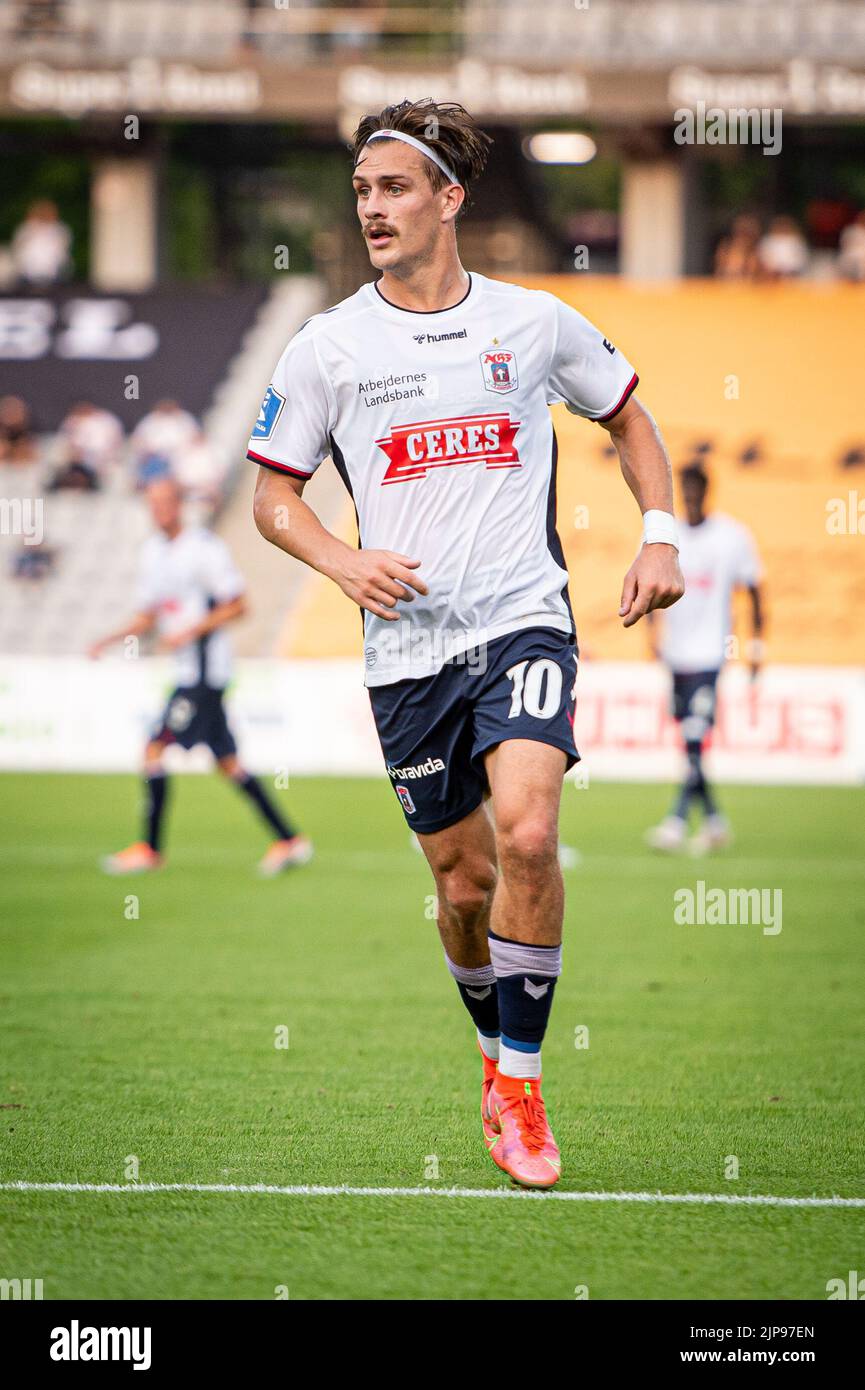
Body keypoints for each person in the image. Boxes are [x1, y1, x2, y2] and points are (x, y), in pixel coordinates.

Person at [249, 99, 683, 1189]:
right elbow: (273, 499)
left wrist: (659, 534)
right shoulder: (327, 346)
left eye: (394, 187)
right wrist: (345, 564)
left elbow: (629, 416)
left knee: (531, 833)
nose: (373, 208)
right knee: (463, 884)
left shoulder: (531, 323)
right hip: (405, 656)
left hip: (521, 617)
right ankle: (494, 1060)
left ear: (450, 197)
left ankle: (526, 1089)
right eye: (361, 190)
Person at [89, 478, 312, 877]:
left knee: (154, 747)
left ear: (179, 504)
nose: (159, 510)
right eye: (152, 504)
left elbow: (239, 605)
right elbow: (149, 615)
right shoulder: (154, 553)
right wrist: (108, 640)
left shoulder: (204, 550)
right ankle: (289, 840)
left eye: (165, 502)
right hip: (189, 671)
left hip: (205, 674)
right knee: (228, 763)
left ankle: (150, 849)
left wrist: (190, 631)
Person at [645, 465, 764, 855]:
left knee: (695, 735)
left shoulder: (731, 536)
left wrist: (756, 648)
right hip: (676, 656)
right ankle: (714, 820)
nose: (691, 495)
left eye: (697, 488)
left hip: (712, 653)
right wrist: (652, 633)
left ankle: (677, 821)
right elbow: (648, 579)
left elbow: (755, 589)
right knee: (690, 742)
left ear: (707, 490)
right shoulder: (668, 537)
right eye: (686, 488)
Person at [52, 401, 124, 492]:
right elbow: (63, 444)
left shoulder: (106, 421)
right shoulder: (71, 421)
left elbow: (108, 447)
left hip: (97, 464)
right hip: (74, 464)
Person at [11, 200, 72, 287]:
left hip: (54, 275)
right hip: (27, 274)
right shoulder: (26, 229)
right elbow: (18, 247)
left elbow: (62, 249)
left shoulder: (59, 229)